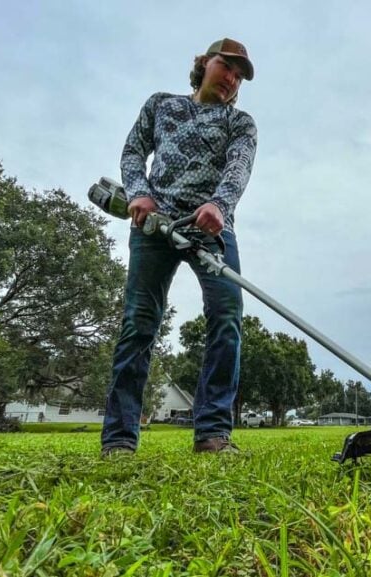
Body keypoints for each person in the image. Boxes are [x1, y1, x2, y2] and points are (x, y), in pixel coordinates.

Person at [100, 38, 257, 456]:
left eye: (239, 76)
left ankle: (212, 434)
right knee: (139, 323)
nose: (231, 79)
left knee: (226, 318)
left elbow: (239, 167)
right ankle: (119, 439)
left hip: (212, 227)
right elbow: (134, 151)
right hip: (154, 225)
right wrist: (138, 192)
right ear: (204, 63)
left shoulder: (239, 123)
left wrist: (219, 204)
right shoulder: (161, 105)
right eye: (227, 67)